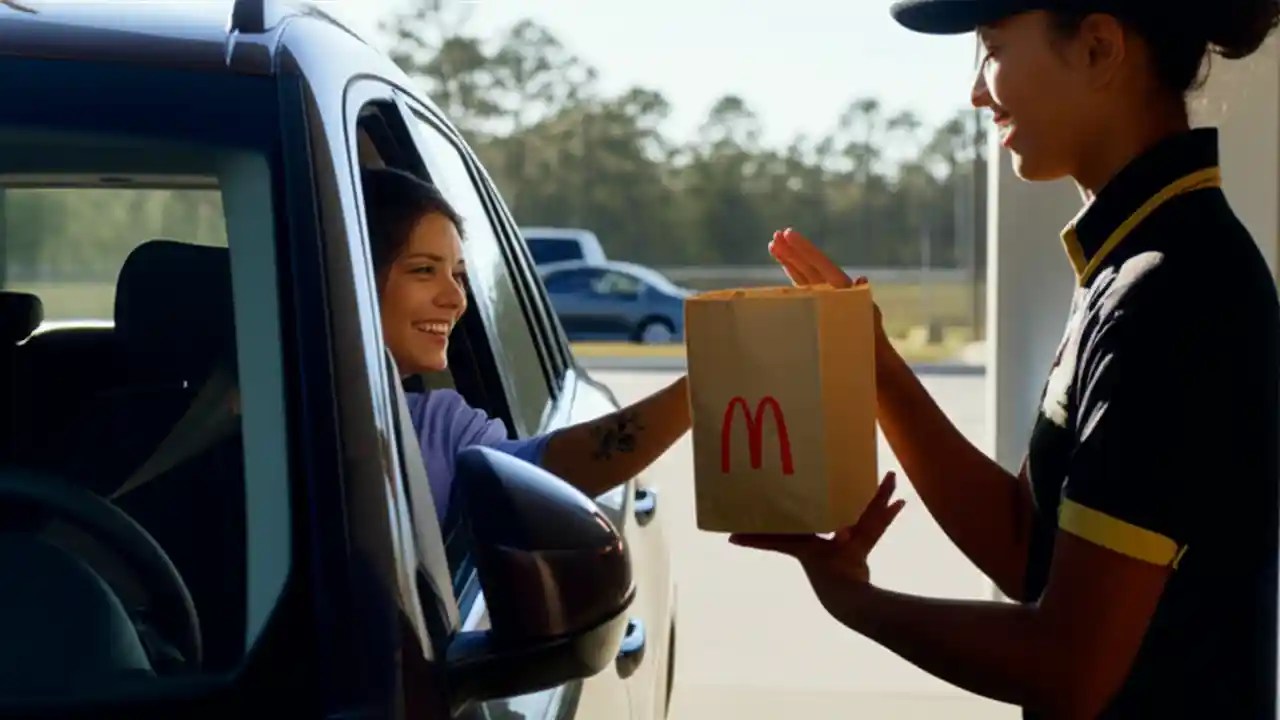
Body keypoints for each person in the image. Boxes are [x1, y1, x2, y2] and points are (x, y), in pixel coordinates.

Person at [731, 1, 1280, 717]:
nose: (977, 91)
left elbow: (1068, 668)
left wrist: (856, 603)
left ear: (1097, 49)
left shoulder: (1171, 286)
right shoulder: (1133, 263)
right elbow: (1030, 548)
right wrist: (872, 362)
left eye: (991, 47)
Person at [361, 166, 690, 521]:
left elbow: (554, 472)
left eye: (459, 276)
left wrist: (699, 390)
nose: (456, 299)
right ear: (355, 274)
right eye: (424, 270)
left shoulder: (437, 427)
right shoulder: (296, 419)